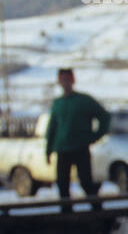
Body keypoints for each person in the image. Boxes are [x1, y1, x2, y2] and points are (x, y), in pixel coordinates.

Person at [45, 68, 110, 210]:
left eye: (68, 79)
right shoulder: (58, 103)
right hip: (62, 149)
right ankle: (66, 213)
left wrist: (95, 135)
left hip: (80, 147)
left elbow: (104, 116)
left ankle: (97, 210)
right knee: (62, 183)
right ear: (59, 81)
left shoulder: (83, 101)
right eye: (62, 80)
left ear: (73, 80)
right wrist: (48, 150)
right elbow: (52, 128)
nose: (65, 83)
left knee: (86, 182)